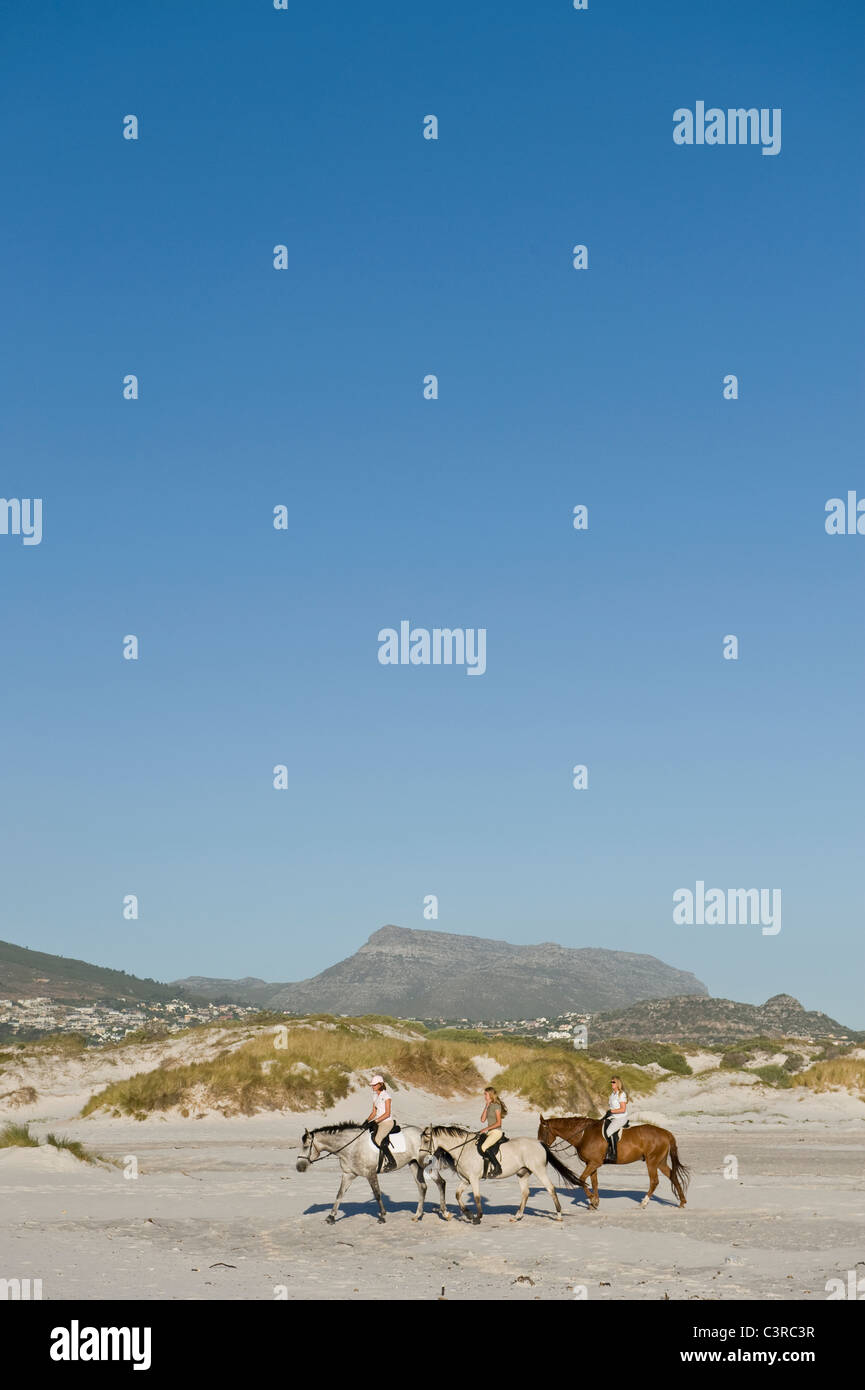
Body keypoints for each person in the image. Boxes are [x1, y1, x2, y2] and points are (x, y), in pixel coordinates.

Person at [365, 1075, 396, 1172]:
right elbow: (374, 1112)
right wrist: (366, 1121)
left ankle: (392, 1162)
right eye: (372, 1085)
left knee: (378, 1139)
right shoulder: (375, 1096)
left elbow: (387, 1113)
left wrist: (375, 1121)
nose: (372, 1086)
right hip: (378, 1122)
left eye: (374, 1085)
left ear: (380, 1084)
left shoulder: (386, 1096)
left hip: (387, 1122)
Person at [476, 1086, 507, 1178]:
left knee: (484, 1147)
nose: (484, 1096)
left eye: (485, 1094)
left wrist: (485, 1129)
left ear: (490, 1095)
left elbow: (498, 1123)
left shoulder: (496, 1106)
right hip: (490, 1132)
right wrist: (486, 1105)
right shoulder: (489, 1106)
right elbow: (482, 1119)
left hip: (496, 1132)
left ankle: (497, 1167)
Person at [602, 1076, 628, 1162]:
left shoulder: (621, 1094)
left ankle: (613, 1154)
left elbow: (623, 1109)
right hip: (612, 1117)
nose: (611, 1084)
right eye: (611, 1082)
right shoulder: (612, 1094)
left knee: (608, 1132)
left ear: (617, 1084)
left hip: (620, 1117)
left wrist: (612, 1111)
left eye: (613, 1082)